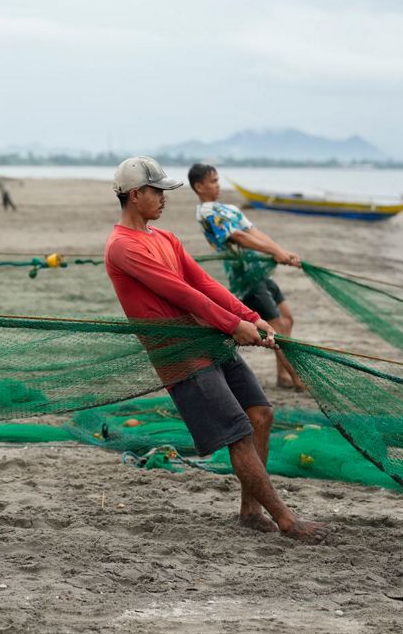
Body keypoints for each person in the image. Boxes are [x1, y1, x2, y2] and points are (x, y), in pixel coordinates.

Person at [104, 156, 325, 543]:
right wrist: (233, 325)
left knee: (261, 414)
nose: (164, 198)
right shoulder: (122, 247)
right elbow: (181, 293)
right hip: (179, 353)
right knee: (237, 433)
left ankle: (249, 511)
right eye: (157, 192)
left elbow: (204, 283)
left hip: (208, 339)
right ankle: (286, 520)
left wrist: (250, 317)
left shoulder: (165, 239)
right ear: (135, 195)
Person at [188, 163, 304, 390]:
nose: (217, 185)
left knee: (288, 320)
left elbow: (254, 232)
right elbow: (238, 237)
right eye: (212, 181)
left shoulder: (228, 209)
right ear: (199, 186)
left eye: (218, 180)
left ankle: (283, 377)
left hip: (259, 273)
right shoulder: (206, 212)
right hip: (245, 279)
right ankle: (299, 381)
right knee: (277, 327)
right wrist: (274, 252)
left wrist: (282, 252)